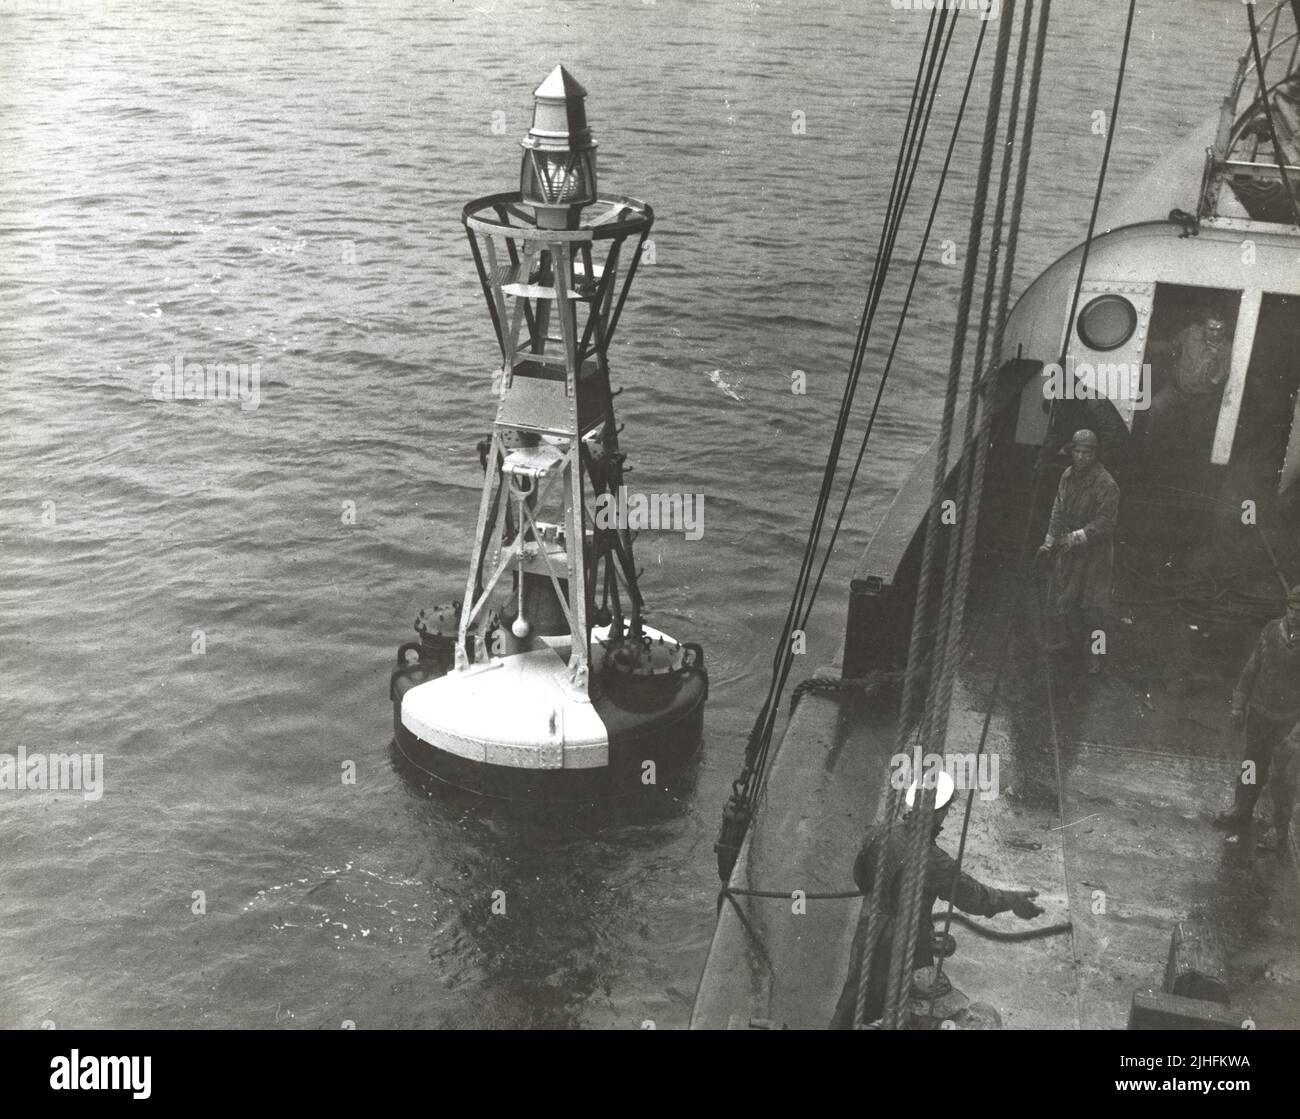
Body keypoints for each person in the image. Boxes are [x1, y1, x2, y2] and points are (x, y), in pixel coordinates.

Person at [831, 772, 1043, 1028]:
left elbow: (861, 878)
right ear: (938, 812)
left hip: (869, 928)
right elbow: (975, 898)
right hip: (905, 941)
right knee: (904, 1010)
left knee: (854, 998)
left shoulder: (878, 833)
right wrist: (1013, 900)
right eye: (946, 810)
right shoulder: (934, 861)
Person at [1214, 585, 1300, 851]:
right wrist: (1238, 706)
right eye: (1291, 608)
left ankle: (1279, 830)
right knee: (1251, 764)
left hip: (1288, 722)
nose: (1295, 615)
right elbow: (1252, 668)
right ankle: (1242, 809)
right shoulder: (1272, 630)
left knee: (1282, 779)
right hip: (1260, 713)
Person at [1037, 429, 1121, 673]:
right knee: (1067, 600)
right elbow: (1058, 509)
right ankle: (1069, 645)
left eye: (1087, 452)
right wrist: (1048, 541)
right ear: (1072, 452)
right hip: (1070, 548)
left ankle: (1096, 656)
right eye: (1078, 452)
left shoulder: (1106, 484)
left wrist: (1075, 537)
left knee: (1094, 608)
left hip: (1096, 553)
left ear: (1095, 454)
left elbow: (1106, 523)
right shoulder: (1067, 476)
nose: (1082, 457)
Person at [1148, 311, 1232, 454]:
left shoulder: (1227, 349)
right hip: (1176, 389)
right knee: (1156, 406)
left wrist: (1215, 362)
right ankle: (1148, 448)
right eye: (1211, 329)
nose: (1216, 333)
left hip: (1200, 399)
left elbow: (1220, 378)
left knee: (1193, 435)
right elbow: (1172, 345)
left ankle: (1184, 462)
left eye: (1220, 329)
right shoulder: (1192, 332)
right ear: (1203, 327)